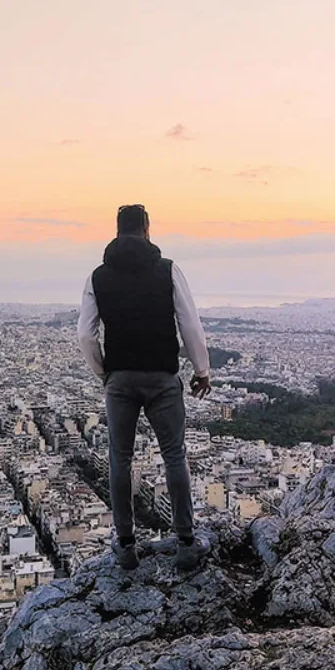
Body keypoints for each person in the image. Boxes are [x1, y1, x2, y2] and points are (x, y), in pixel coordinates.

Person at [77, 204, 213, 571]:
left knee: (119, 458)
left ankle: (124, 545)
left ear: (118, 231)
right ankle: (186, 542)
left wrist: (105, 372)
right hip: (162, 377)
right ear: (147, 230)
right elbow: (190, 324)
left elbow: (85, 335)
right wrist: (202, 370)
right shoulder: (168, 270)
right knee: (174, 455)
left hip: (119, 377)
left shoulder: (97, 277)